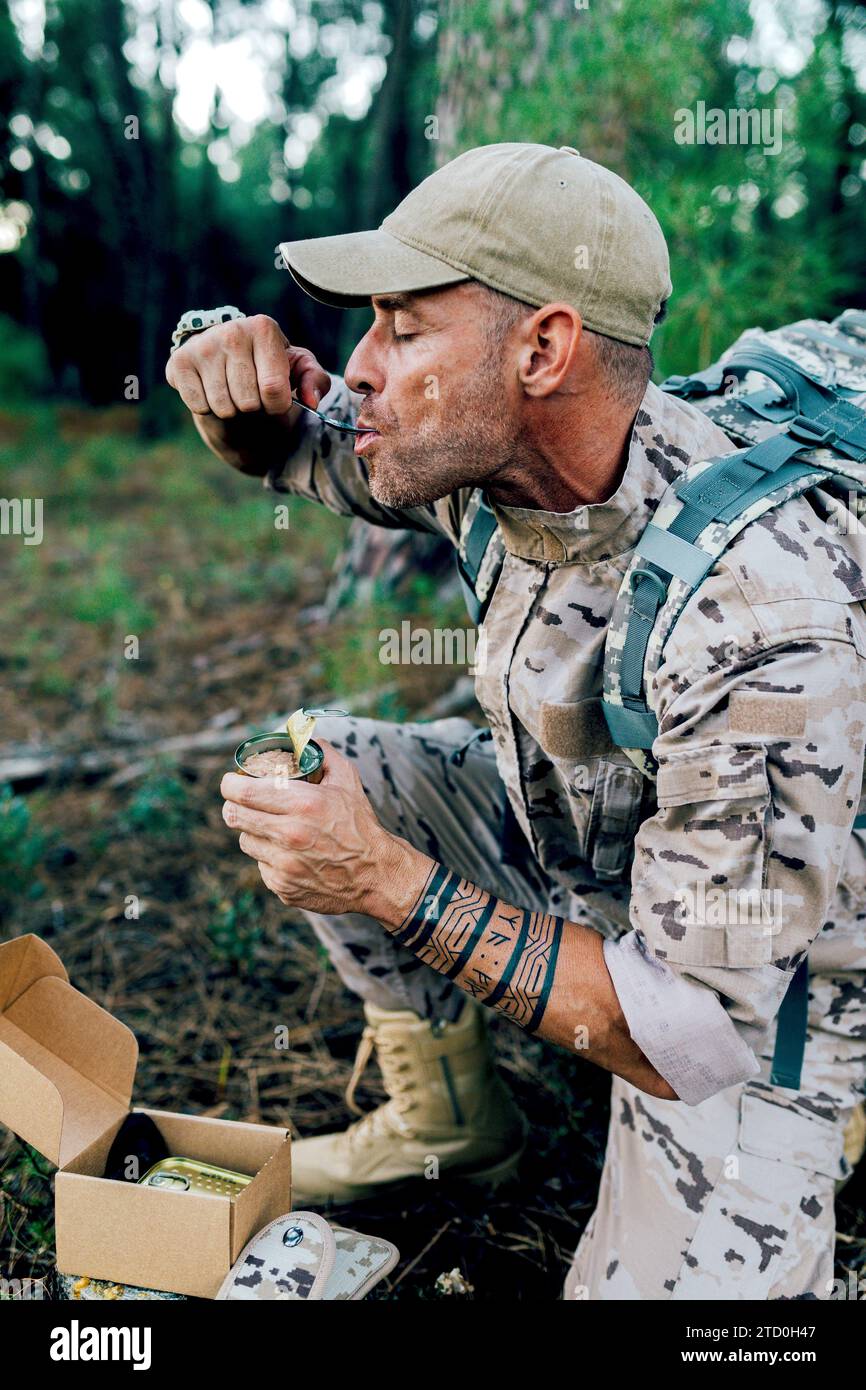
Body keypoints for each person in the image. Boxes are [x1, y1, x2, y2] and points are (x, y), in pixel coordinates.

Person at [165, 142, 866, 1300]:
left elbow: (684, 1032)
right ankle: (448, 1123)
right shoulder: (484, 445)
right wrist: (220, 376)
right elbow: (292, 445)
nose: (360, 367)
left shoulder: (756, 611)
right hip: (617, 865)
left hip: (767, 983)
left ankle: (818, 1128)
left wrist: (385, 881)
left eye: (400, 325)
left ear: (541, 349)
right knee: (336, 764)